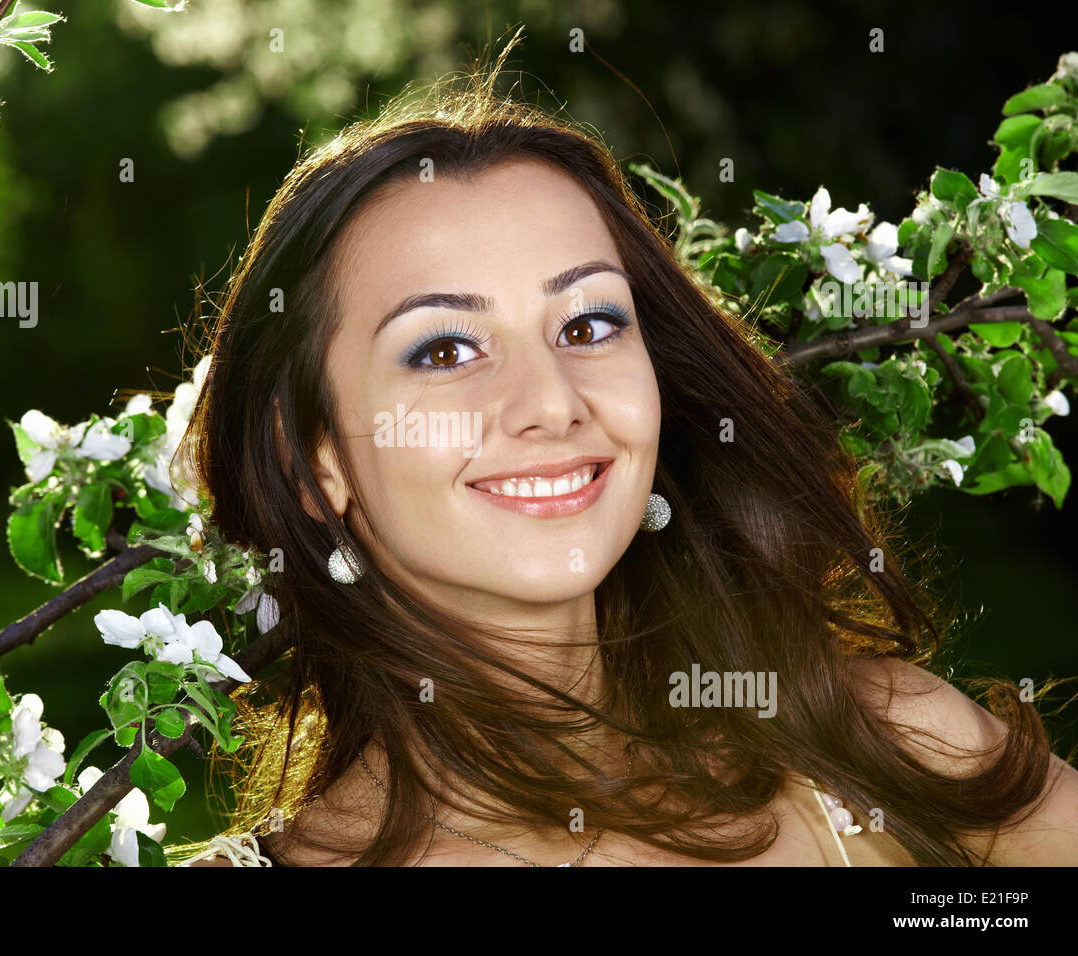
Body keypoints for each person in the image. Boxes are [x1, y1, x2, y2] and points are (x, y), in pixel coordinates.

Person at [167, 30, 1078, 867]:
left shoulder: (880, 744)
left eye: (590, 322)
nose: (552, 404)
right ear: (313, 458)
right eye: (445, 349)